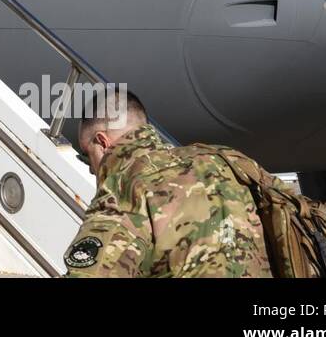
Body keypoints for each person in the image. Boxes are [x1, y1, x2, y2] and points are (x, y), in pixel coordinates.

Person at [64, 88, 273, 277]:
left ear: (102, 142)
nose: (92, 168)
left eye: (86, 154)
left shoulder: (125, 188)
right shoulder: (227, 161)